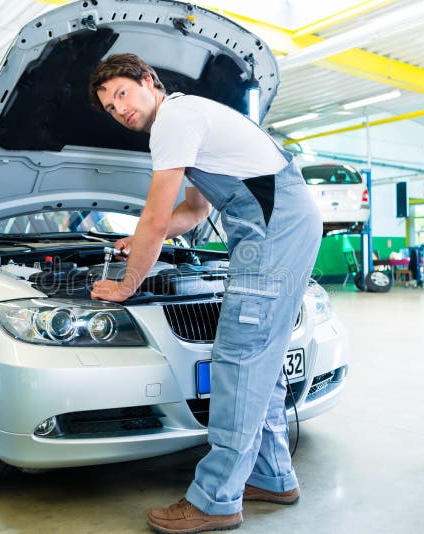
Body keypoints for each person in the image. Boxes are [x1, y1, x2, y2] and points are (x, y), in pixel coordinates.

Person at [89, 53, 322, 534]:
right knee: (261, 358)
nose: (120, 109)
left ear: (148, 81)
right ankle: (273, 476)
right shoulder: (189, 117)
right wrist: (142, 242)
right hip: (279, 226)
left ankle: (215, 500)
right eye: (110, 107)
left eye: (122, 94)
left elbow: (156, 217)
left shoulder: (173, 120)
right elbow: (191, 213)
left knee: (238, 356)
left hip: (272, 232)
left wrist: (127, 284)